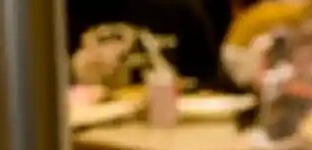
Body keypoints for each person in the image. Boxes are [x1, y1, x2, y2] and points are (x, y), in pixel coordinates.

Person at [67, 0, 223, 89]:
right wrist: (73, 72)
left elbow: (212, 85)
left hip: (170, 132)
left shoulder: (182, 12)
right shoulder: (58, 13)